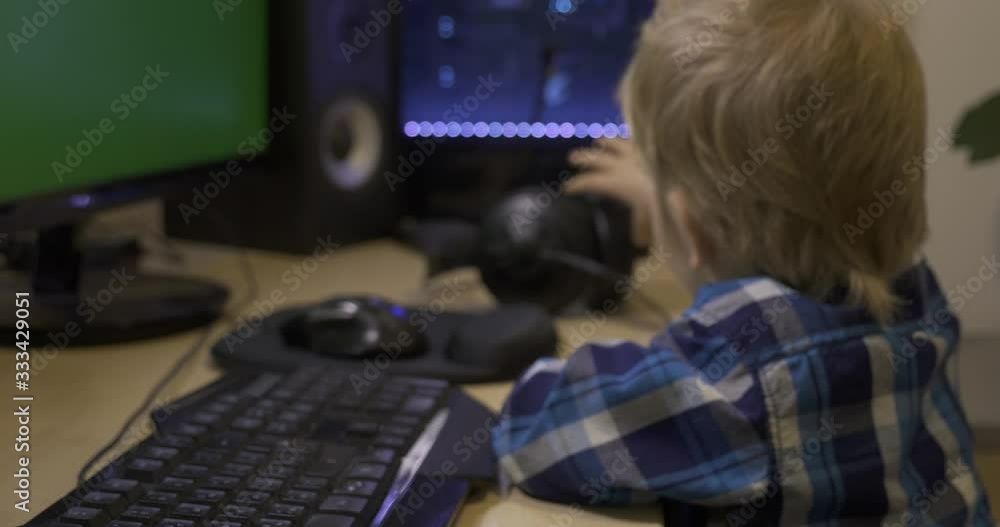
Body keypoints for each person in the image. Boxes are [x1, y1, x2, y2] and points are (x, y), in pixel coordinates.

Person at [491, 0, 995, 524]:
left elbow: (533, 432)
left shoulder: (731, 382)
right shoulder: (921, 305)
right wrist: (685, 207)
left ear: (689, 230)